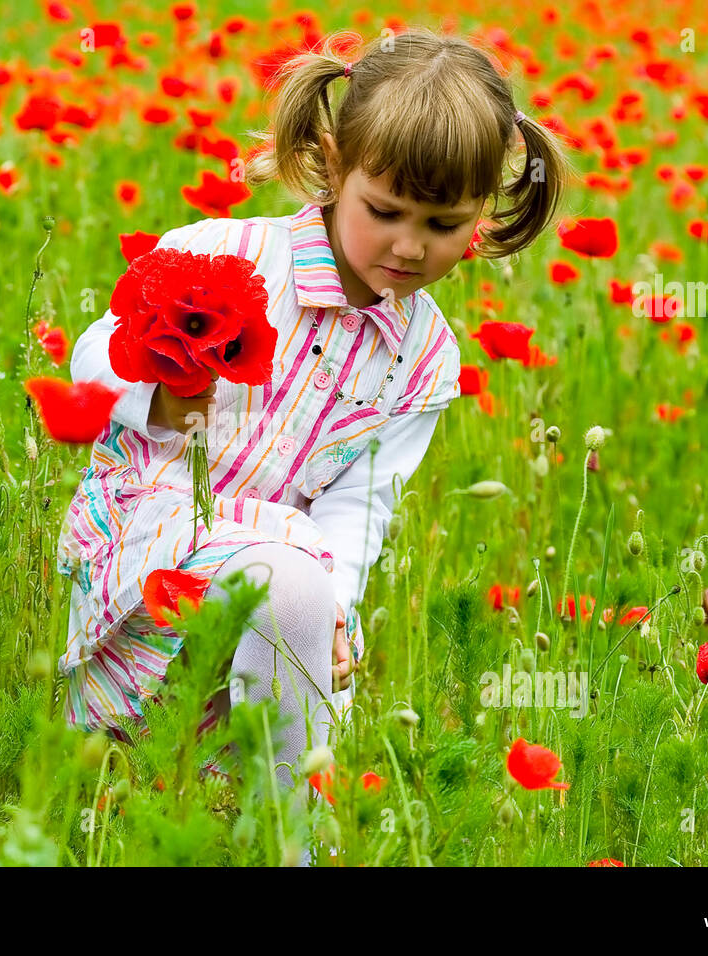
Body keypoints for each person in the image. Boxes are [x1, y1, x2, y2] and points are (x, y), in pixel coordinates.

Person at [56, 26, 571, 815]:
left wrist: (335, 606)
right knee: (135, 748)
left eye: (443, 225)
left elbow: (358, 504)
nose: (408, 246)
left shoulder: (424, 357)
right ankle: (276, 842)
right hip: (155, 528)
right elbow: (93, 355)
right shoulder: (225, 255)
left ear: (484, 213)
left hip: (282, 578)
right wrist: (152, 395)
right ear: (333, 165)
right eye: (386, 210)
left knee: (284, 629)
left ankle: (269, 828)